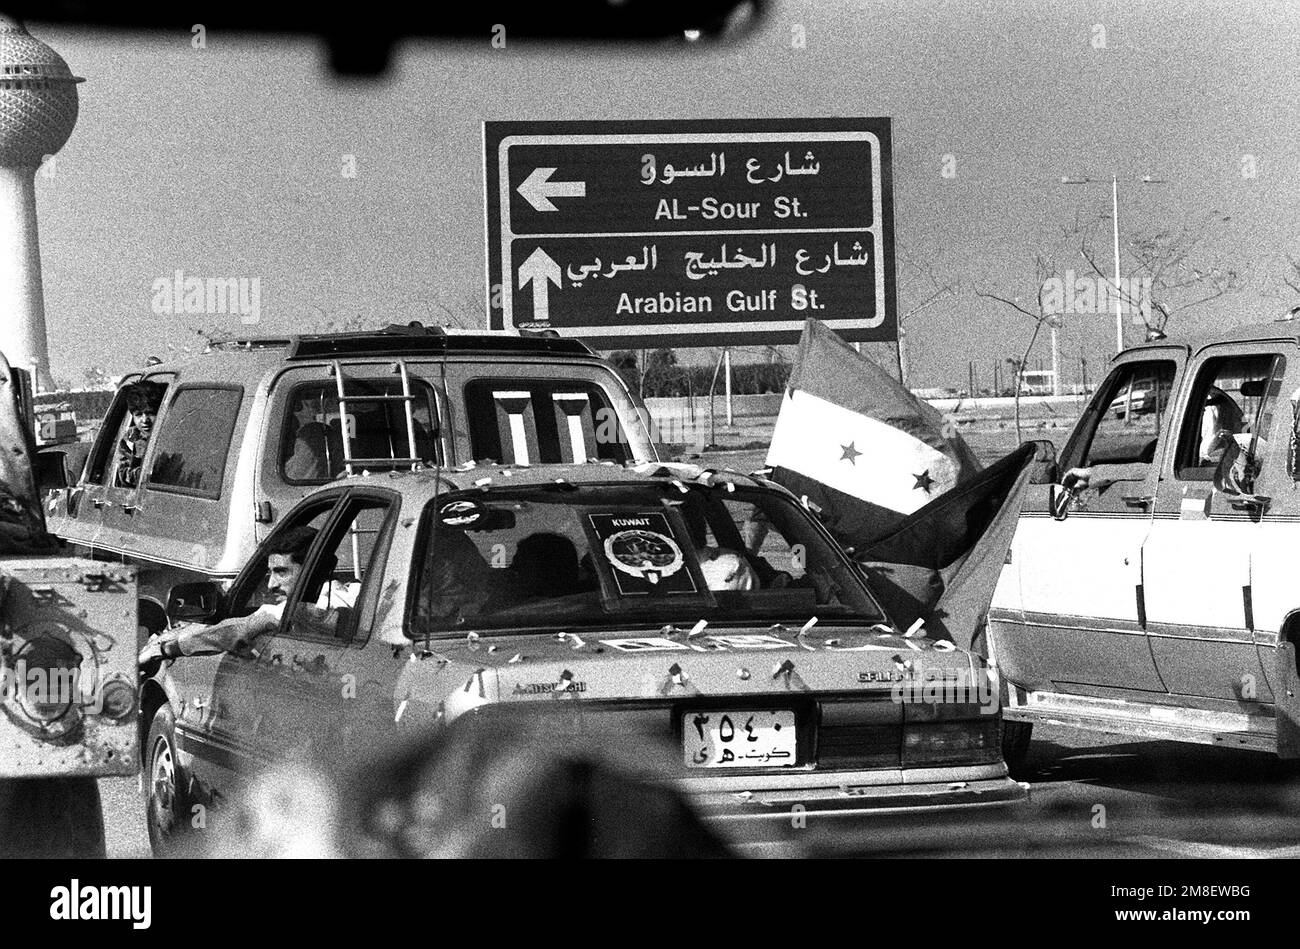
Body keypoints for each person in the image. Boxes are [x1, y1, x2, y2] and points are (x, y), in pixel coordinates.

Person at [139, 526, 353, 662]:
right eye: (270, 573)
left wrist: (165, 649)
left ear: (315, 570)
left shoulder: (295, 612)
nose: (271, 585)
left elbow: (232, 631)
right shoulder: (356, 594)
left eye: (281, 572)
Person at [114, 381, 165, 487]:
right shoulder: (131, 438)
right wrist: (143, 474)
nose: (145, 420)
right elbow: (122, 474)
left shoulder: (168, 434)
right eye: (138, 415)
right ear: (132, 416)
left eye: (150, 413)